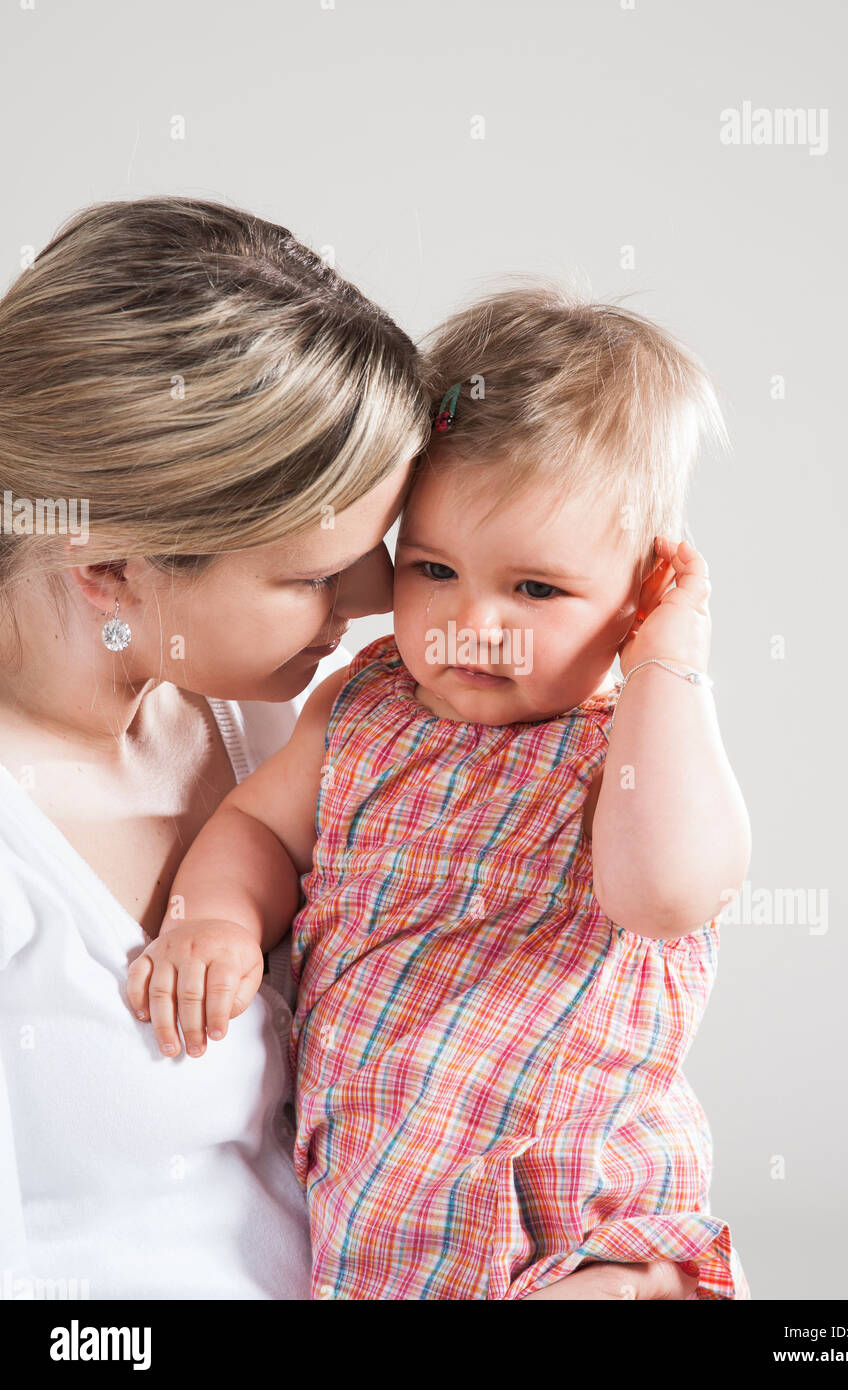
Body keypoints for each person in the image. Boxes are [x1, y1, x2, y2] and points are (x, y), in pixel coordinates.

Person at [0, 197, 690, 1301]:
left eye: (381, 554)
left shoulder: (263, 715)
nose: (378, 605)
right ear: (110, 569)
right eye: (314, 576)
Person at [126, 283, 751, 1300]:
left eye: (534, 588)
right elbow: (258, 830)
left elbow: (667, 894)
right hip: (384, 1206)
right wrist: (218, 921)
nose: (474, 620)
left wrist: (667, 670)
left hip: (577, 1215)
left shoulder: (627, 749)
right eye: (432, 569)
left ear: (643, 594)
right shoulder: (363, 707)